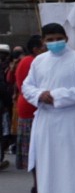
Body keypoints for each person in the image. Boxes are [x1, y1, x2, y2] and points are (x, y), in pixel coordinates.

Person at [20, 24, 75, 193]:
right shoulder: (38, 61)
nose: (54, 42)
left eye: (58, 38)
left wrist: (56, 95)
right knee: (47, 160)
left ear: (66, 38)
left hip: (69, 116)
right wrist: (41, 94)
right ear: (43, 41)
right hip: (46, 117)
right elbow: (27, 86)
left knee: (70, 160)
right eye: (49, 40)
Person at [9, 36, 39, 171]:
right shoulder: (31, 62)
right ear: (35, 49)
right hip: (31, 107)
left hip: (26, 105)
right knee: (35, 148)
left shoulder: (26, 60)